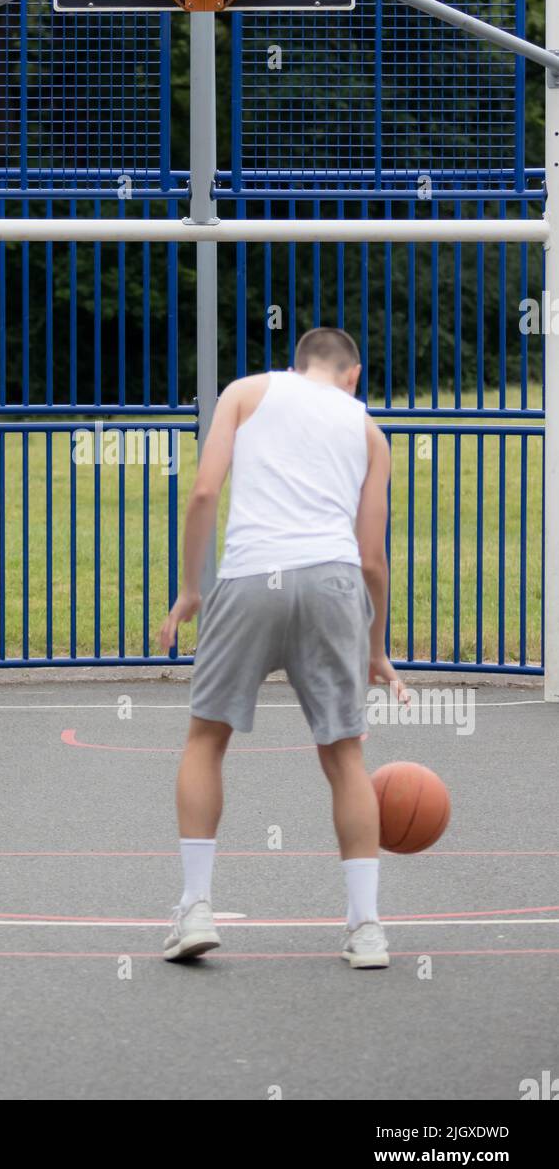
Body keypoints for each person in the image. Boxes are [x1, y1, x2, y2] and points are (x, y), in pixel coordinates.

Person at [159, 327, 408, 969]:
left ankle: (194, 909)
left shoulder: (245, 391)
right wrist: (376, 650)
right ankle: (368, 930)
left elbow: (205, 493)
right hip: (331, 578)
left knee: (206, 740)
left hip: (249, 576)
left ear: (296, 363)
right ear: (353, 375)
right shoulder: (368, 431)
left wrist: (191, 589)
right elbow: (373, 559)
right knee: (345, 756)